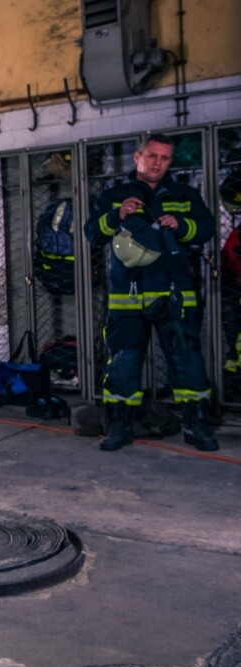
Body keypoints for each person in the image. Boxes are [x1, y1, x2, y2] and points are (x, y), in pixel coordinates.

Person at [83, 133, 219, 451]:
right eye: (153, 156)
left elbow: (207, 228)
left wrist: (182, 225)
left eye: (165, 158)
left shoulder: (185, 195)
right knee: (123, 364)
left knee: (187, 362)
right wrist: (116, 215)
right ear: (137, 157)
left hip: (174, 295)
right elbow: (92, 234)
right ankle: (119, 427)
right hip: (126, 297)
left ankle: (196, 426)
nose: (158, 163)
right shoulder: (115, 195)